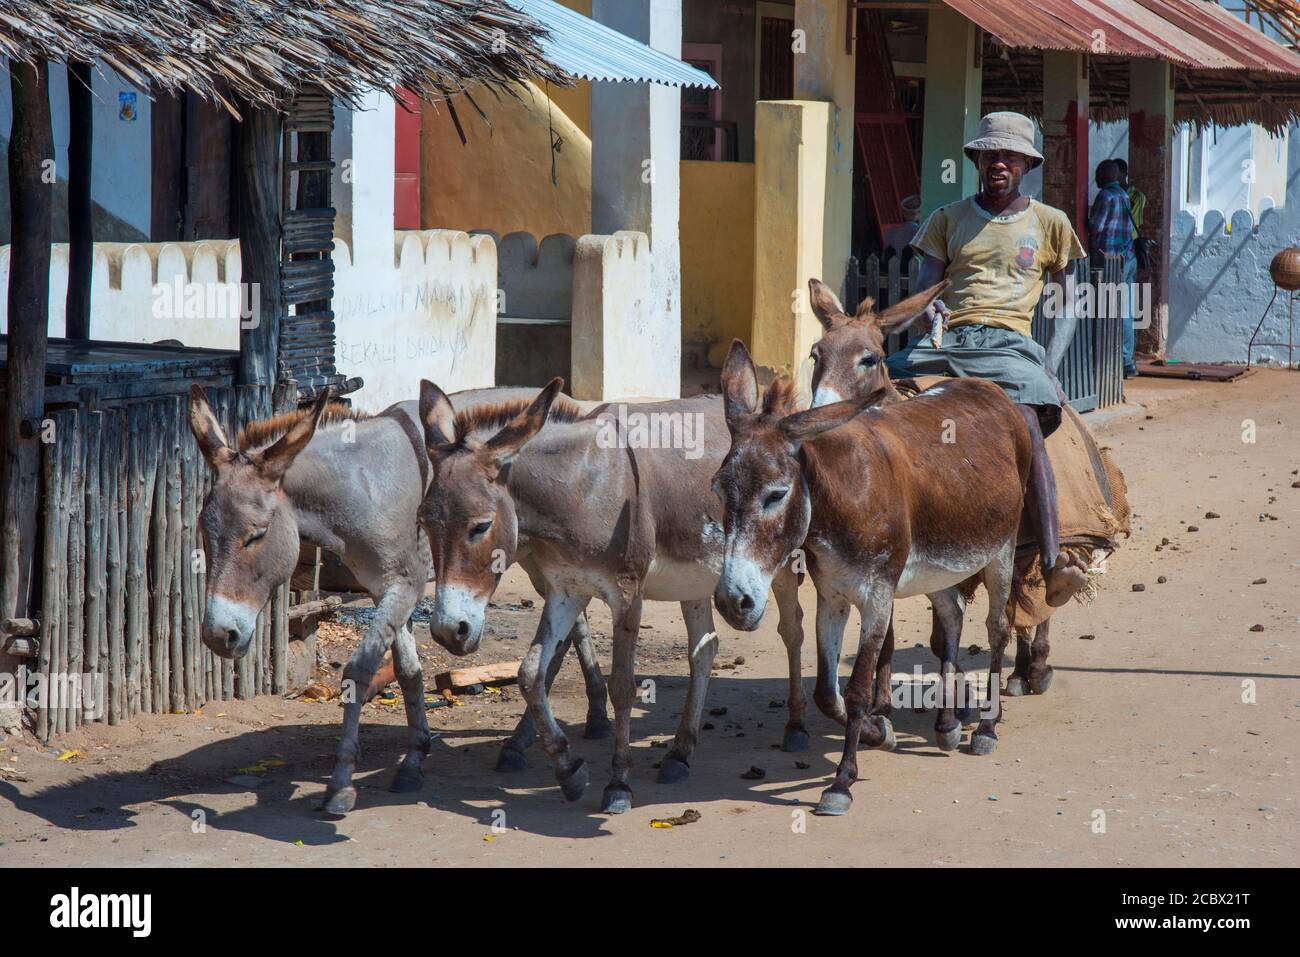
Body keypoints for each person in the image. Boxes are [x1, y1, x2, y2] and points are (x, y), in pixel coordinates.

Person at [887, 111, 1089, 606]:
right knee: (868, 394)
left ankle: (1051, 557)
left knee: (1025, 420)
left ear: (1025, 164)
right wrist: (927, 309)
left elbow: (1070, 307)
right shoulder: (947, 219)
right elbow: (923, 294)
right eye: (991, 154)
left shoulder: (1050, 224)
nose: (999, 162)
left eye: (1010, 156)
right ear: (977, 160)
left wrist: (1050, 367)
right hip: (946, 344)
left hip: (1010, 349)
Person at [1088, 159, 1138, 377]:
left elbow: (1096, 227)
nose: (1095, 178)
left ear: (1104, 175)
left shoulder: (1105, 196)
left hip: (1110, 260)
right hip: (1127, 257)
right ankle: (1127, 359)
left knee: (1111, 310)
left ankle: (1115, 360)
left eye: (1098, 174)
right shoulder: (1123, 195)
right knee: (1125, 309)